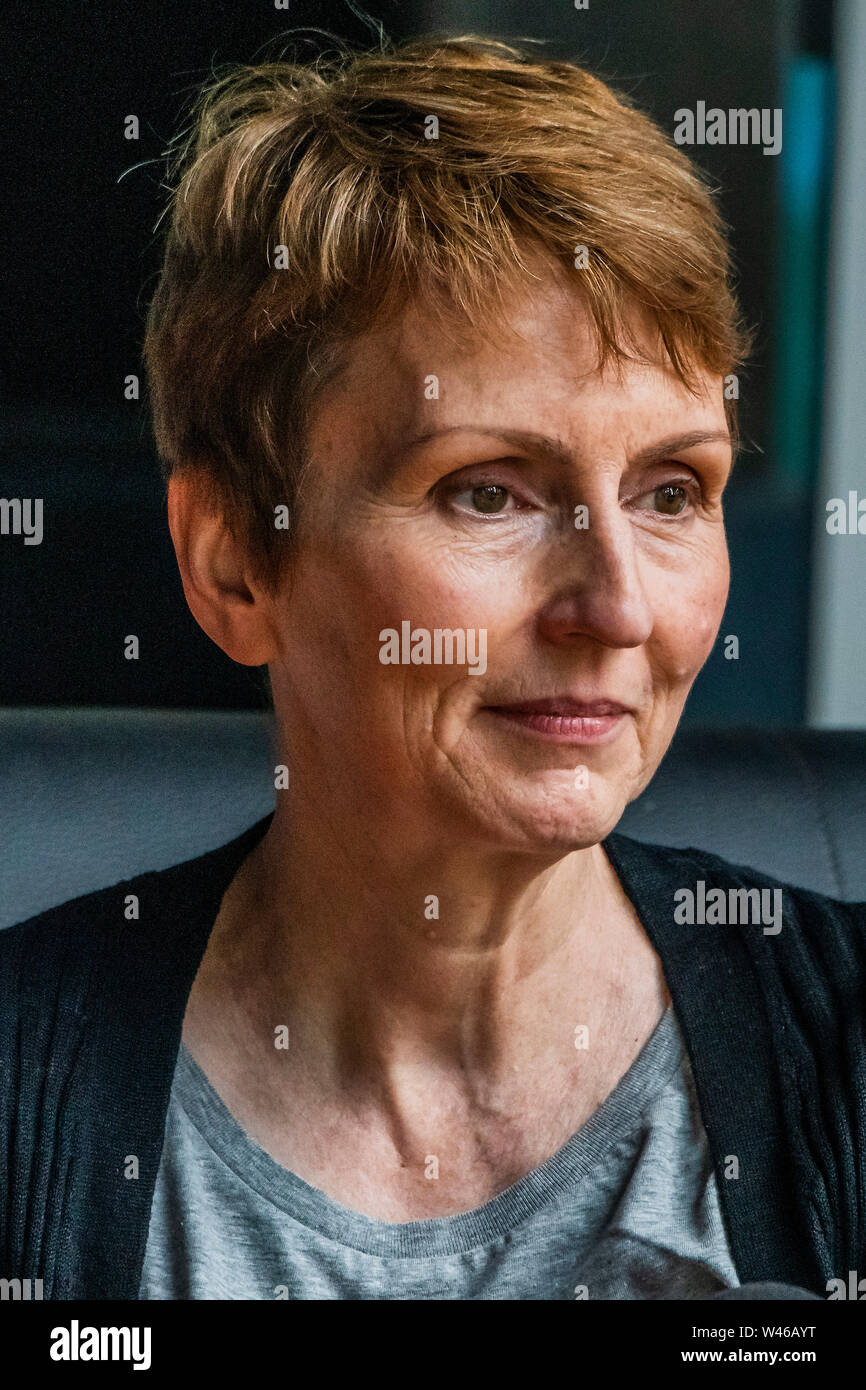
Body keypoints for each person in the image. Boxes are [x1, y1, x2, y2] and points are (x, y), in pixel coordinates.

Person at [2, 34, 864, 1302]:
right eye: (489, 494)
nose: (617, 607)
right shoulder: (26, 1098)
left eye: (671, 490)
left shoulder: (842, 1051)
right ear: (235, 560)